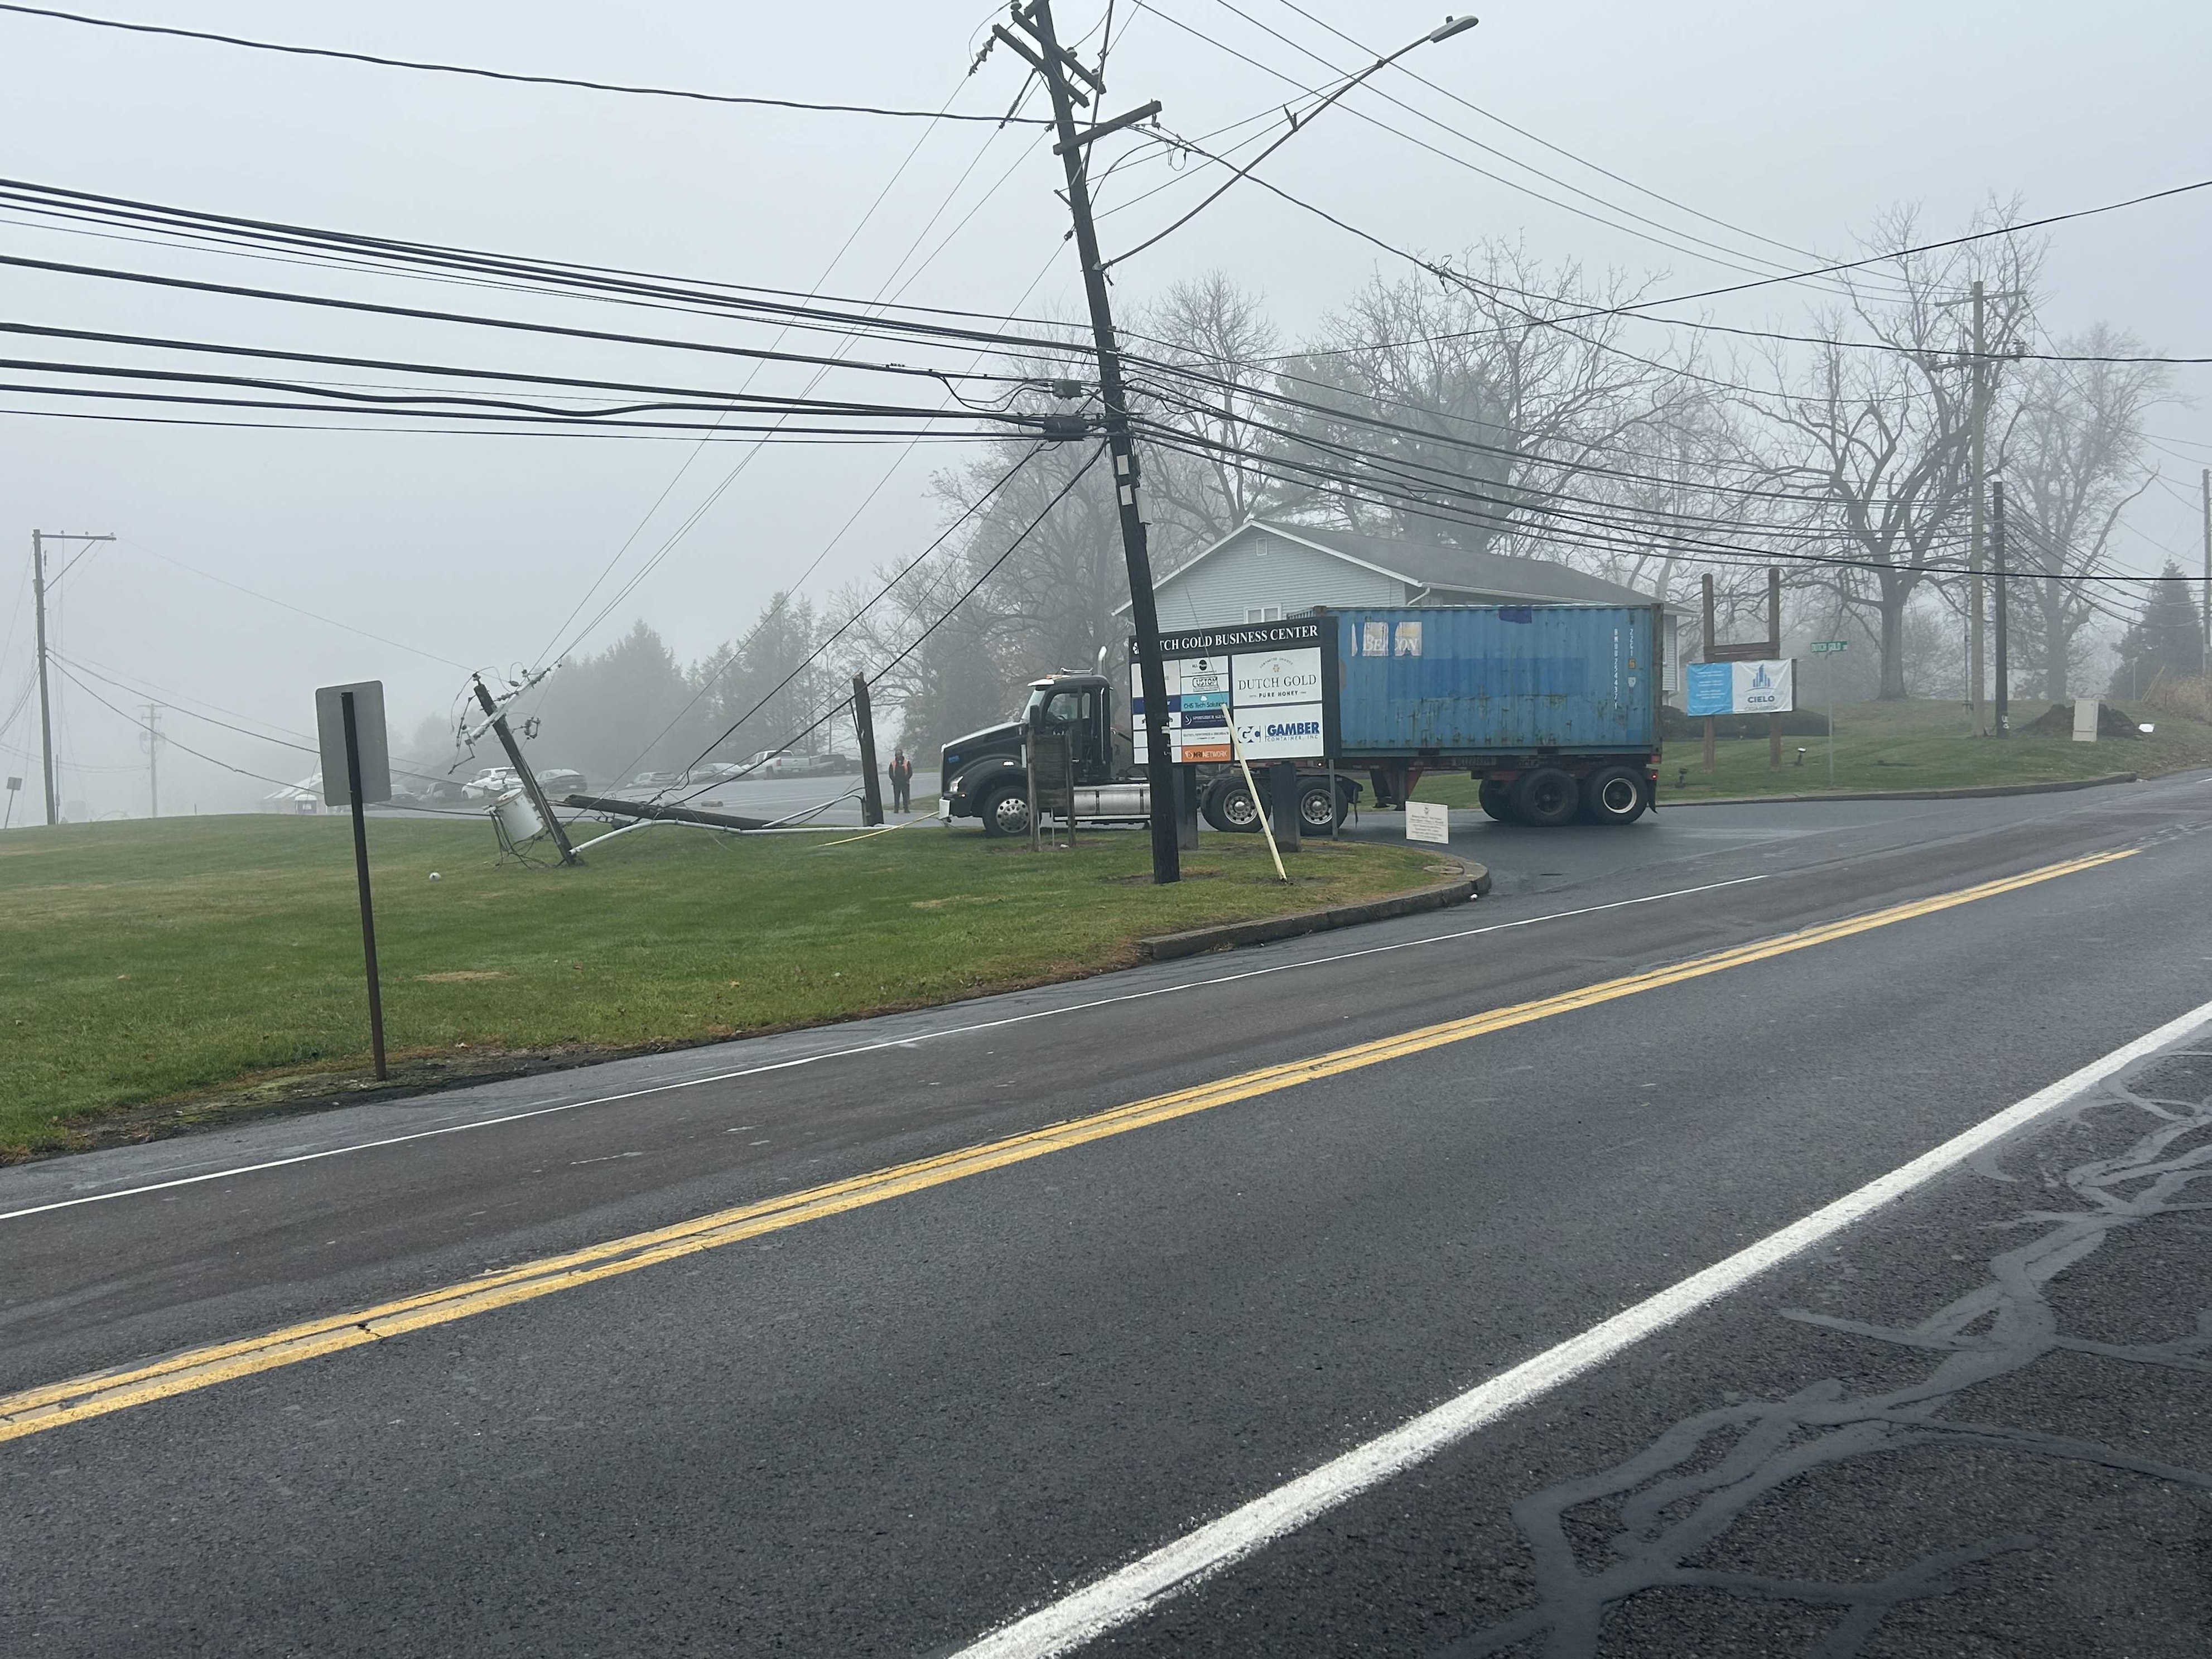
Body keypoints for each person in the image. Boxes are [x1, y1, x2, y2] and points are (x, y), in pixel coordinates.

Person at [888, 749, 912, 813]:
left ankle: (906, 809)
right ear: (896, 755)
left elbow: (910, 772)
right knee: (896, 797)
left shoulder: (907, 762)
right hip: (896, 783)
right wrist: (894, 780)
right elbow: (890, 773)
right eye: (897, 754)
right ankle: (896, 809)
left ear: (902, 755)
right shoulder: (893, 763)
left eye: (900, 754)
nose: (899, 756)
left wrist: (906, 778)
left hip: (905, 782)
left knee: (905, 797)